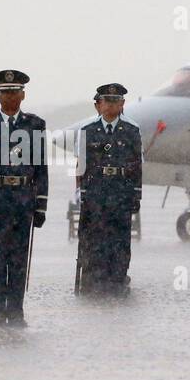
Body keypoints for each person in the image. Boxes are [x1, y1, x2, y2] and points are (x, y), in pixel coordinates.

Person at [0, 70, 48, 327]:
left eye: (14, 92)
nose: (10, 97)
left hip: (23, 200)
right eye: (5, 92)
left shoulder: (35, 125)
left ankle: (15, 311)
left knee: (17, 261)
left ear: (23, 94)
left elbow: (41, 168)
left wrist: (41, 204)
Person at [75, 83, 143, 297]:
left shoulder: (132, 130)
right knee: (94, 237)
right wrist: (80, 190)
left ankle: (117, 279)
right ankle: (95, 278)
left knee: (120, 238)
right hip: (96, 190)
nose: (111, 105)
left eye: (116, 101)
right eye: (107, 100)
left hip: (121, 190)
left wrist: (136, 193)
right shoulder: (88, 130)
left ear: (122, 103)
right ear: (99, 104)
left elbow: (137, 165)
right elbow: (80, 164)